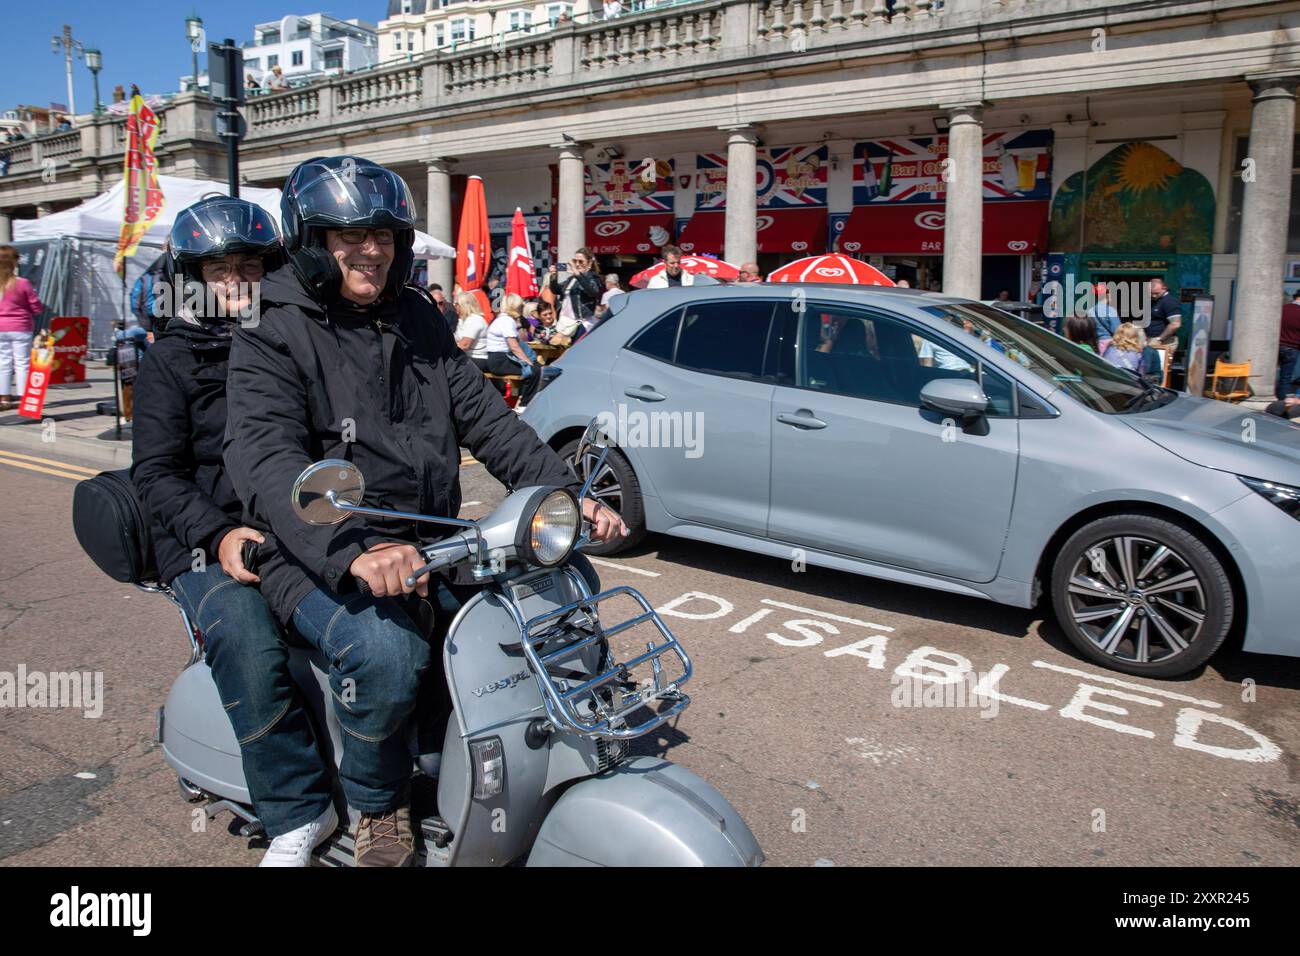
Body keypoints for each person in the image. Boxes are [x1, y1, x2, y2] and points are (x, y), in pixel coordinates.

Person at [223, 156, 628, 866]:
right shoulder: (270, 327)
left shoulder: (415, 316)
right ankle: (376, 809)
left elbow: (486, 419)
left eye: (383, 234)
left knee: (552, 596)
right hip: (315, 551)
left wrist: (567, 490)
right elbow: (266, 457)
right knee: (387, 655)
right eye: (348, 235)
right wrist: (353, 547)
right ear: (310, 240)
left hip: (432, 538)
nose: (371, 249)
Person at [131, 198, 337, 867]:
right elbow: (157, 474)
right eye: (224, 269)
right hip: (204, 539)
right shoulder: (171, 360)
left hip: (289, 520)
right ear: (194, 276)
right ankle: (299, 813)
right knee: (248, 635)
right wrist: (217, 535)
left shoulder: (290, 337)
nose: (240, 278)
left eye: (252, 263)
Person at [0, 245, 43, 410]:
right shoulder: (22, 283)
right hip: (21, 327)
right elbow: (36, 306)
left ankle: (4, 398)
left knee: (3, 363)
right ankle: (26, 398)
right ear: (15, 262)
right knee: (22, 363)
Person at [481, 292, 541, 407]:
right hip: (500, 361)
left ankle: (522, 401)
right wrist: (528, 361)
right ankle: (525, 405)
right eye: (520, 306)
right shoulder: (507, 321)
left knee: (535, 369)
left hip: (497, 359)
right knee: (535, 370)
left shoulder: (502, 319)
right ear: (515, 307)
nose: (522, 308)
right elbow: (514, 347)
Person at [548, 247, 600, 337]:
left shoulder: (592, 277)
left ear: (589, 263)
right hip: (566, 324)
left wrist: (578, 274)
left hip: (581, 324)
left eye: (581, 261)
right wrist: (553, 276)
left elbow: (593, 291)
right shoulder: (572, 278)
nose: (577, 264)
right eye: (575, 261)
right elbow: (556, 290)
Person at [452, 290, 491, 361]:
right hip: (468, 357)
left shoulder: (475, 320)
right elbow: (455, 339)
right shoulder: (463, 320)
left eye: (456, 304)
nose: (454, 306)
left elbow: (464, 345)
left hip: (478, 359)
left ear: (464, 305)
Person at [1276, 290, 1300, 399]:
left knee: (1268, 375)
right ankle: (1281, 402)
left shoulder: (1282, 309)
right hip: (1292, 348)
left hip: (1275, 347)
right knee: (1285, 378)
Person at [1147, 276, 1182, 345]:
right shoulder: (1155, 300)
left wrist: (1160, 339)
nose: (1153, 296)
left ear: (1164, 288)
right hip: (1151, 339)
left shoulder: (1169, 301)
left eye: (1156, 293)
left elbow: (1175, 324)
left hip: (1165, 341)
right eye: (1151, 293)